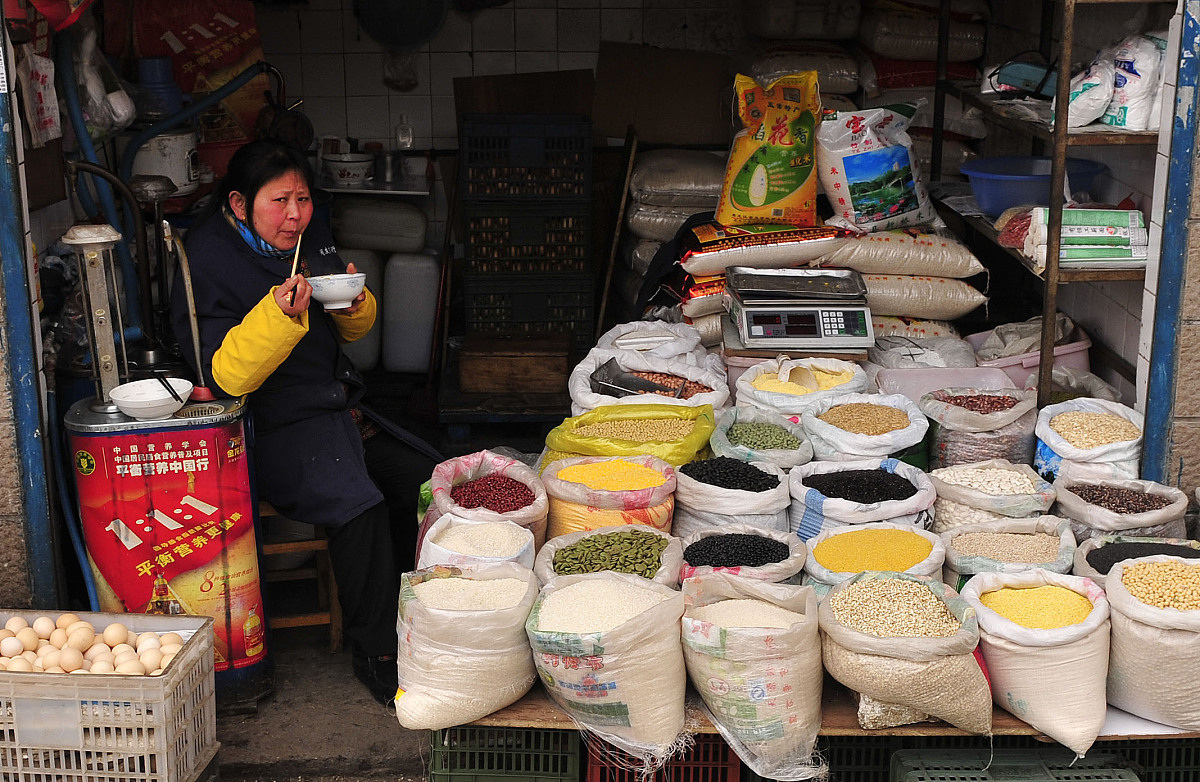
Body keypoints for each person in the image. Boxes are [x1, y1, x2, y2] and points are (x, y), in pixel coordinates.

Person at [170, 139, 441, 705]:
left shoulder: (307, 238)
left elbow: (348, 329)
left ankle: (427, 620)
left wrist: (355, 306)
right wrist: (276, 315)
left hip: (336, 407)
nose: (295, 215)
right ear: (240, 204)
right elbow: (224, 377)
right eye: (280, 201)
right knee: (359, 506)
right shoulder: (208, 258)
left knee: (429, 481)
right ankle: (378, 651)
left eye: (303, 199)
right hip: (269, 426)